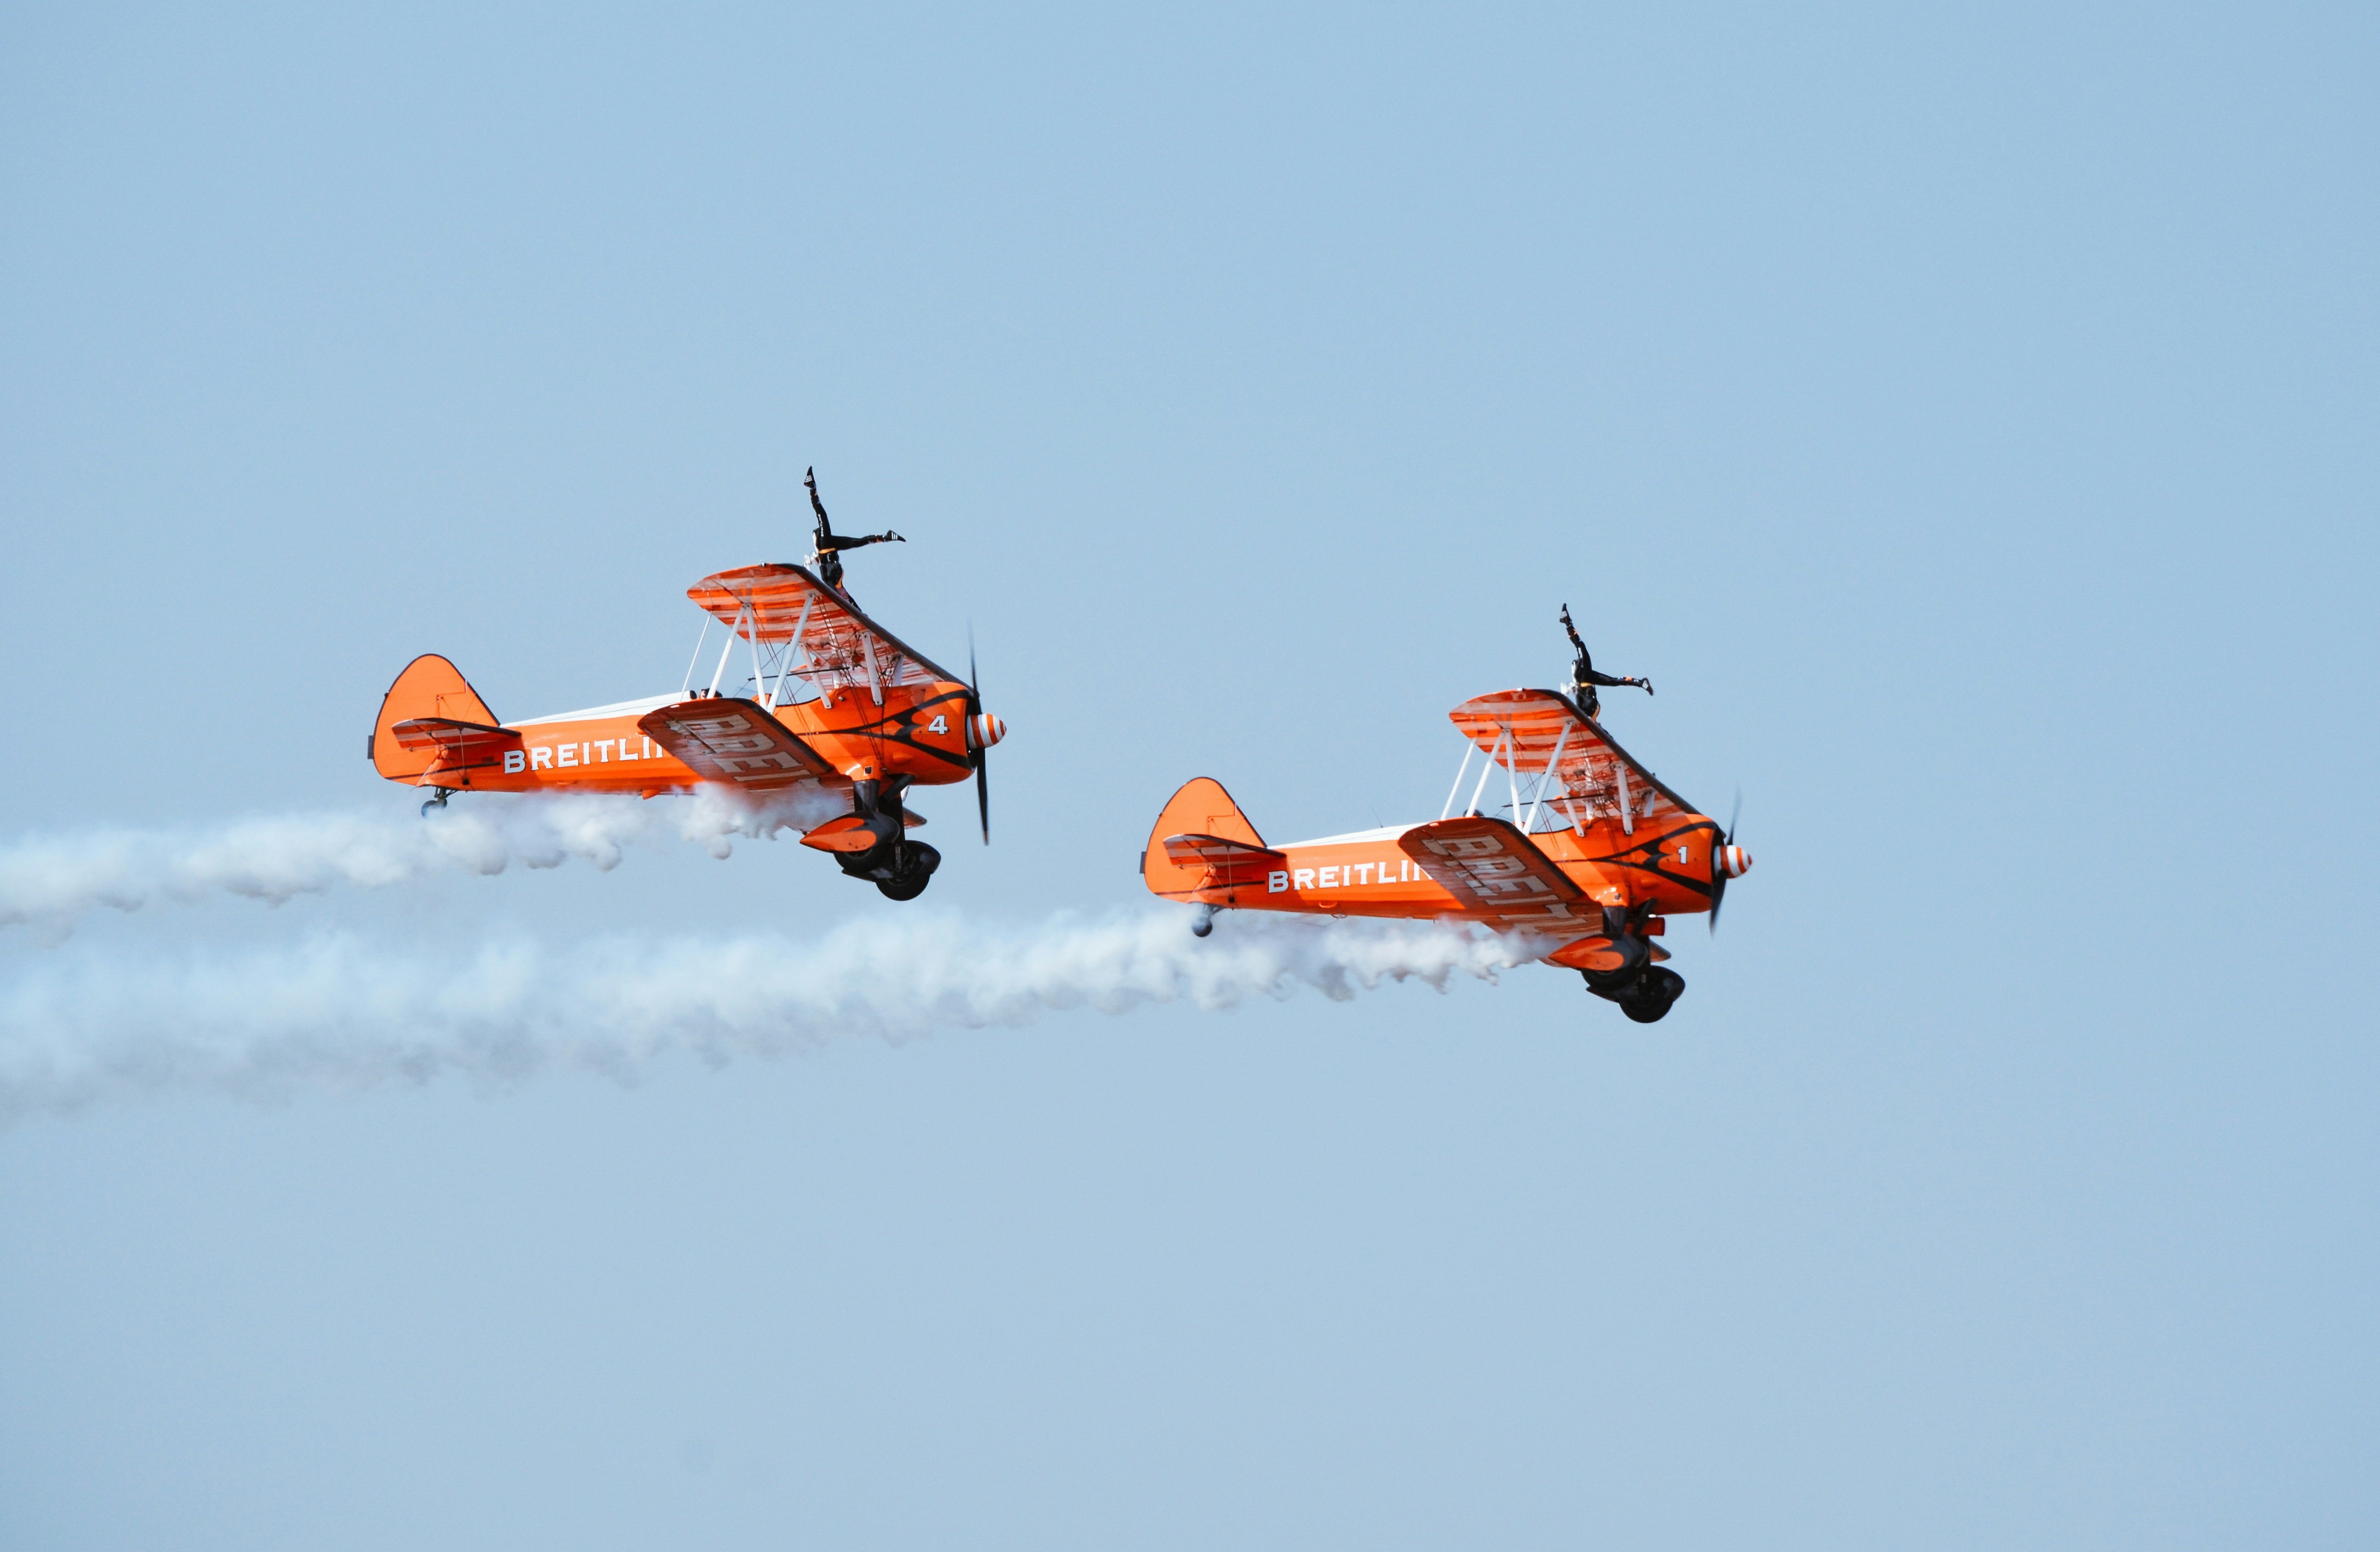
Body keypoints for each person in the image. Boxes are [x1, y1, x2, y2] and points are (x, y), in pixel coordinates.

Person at [806, 466, 903, 602]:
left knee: (823, 516)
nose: (846, 596)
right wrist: (862, 614)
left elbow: (832, 593)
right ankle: (886, 538)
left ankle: (812, 488)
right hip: (832, 546)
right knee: (857, 542)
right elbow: (851, 602)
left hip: (825, 545)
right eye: (846, 597)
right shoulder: (838, 584)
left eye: (844, 597)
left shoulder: (830, 584)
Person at [1559, 603, 1652, 720]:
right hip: (1589, 704)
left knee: (1613, 680)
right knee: (1581, 647)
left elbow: (1615, 681)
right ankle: (1567, 621)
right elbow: (1579, 646)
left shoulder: (1585, 677)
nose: (1579, 661)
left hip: (1588, 705)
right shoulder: (1585, 673)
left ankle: (1640, 683)